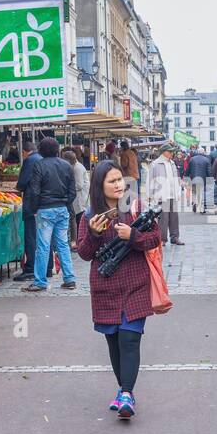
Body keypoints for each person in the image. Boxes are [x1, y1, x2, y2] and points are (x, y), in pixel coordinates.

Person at [77, 161, 160, 419]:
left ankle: (126, 392)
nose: (118, 185)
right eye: (111, 181)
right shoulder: (90, 216)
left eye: (119, 180)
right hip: (106, 287)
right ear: (100, 186)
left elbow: (155, 238)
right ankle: (124, 390)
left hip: (135, 283)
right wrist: (92, 233)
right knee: (113, 341)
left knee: (130, 338)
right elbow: (84, 253)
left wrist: (132, 236)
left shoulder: (135, 209)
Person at [23, 138, 76, 293]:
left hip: (45, 209)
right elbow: (72, 192)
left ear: (41, 150)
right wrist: (65, 203)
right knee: (63, 244)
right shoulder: (66, 165)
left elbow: (34, 190)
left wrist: (34, 208)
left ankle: (40, 281)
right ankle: (69, 278)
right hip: (62, 209)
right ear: (57, 150)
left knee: (43, 246)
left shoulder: (39, 165)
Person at [14, 142, 43, 283]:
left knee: (30, 236)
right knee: (41, 237)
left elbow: (22, 182)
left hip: (31, 203)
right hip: (40, 204)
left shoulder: (29, 160)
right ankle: (46, 268)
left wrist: (19, 187)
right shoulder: (41, 158)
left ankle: (30, 268)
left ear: (25, 152)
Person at [147, 144, 183, 246]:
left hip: (173, 194)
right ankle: (162, 239)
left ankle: (175, 237)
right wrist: (150, 195)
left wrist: (178, 191)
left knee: (174, 217)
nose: (172, 153)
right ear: (164, 152)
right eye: (170, 151)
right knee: (163, 218)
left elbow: (176, 178)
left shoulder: (172, 163)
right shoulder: (155, 164)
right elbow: (150, 180)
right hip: (162, 194)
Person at [63, 149, 88, 251]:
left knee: (77, 220)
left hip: (79, 198)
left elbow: (79, 185)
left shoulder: (77, 168)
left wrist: (66, 186)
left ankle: (77, 242)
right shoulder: (74, 167)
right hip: (77, 198)